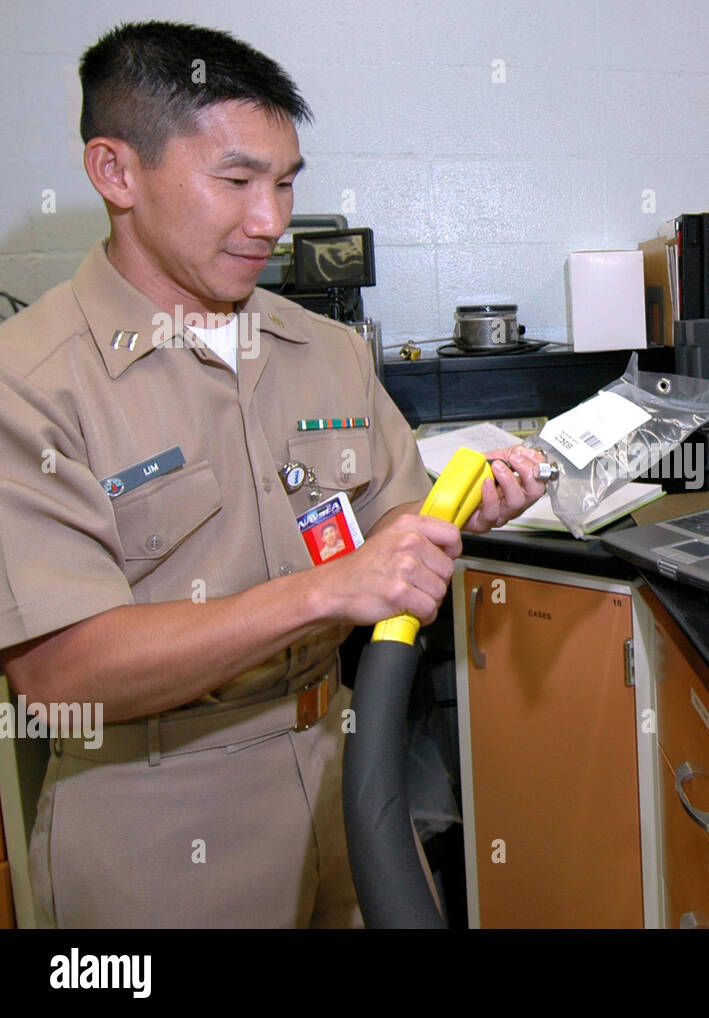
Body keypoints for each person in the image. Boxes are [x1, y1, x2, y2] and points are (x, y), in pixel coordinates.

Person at [0, 20, 546, 928]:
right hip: (154, 819)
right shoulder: (29, 382)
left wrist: (463, 513)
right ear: (116, 172)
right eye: (237, 180)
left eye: (286, 183)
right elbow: (62, 678)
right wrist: (330, 591)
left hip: (348, 781)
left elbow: (389, 531)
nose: (273, 221)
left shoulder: (325, 350)